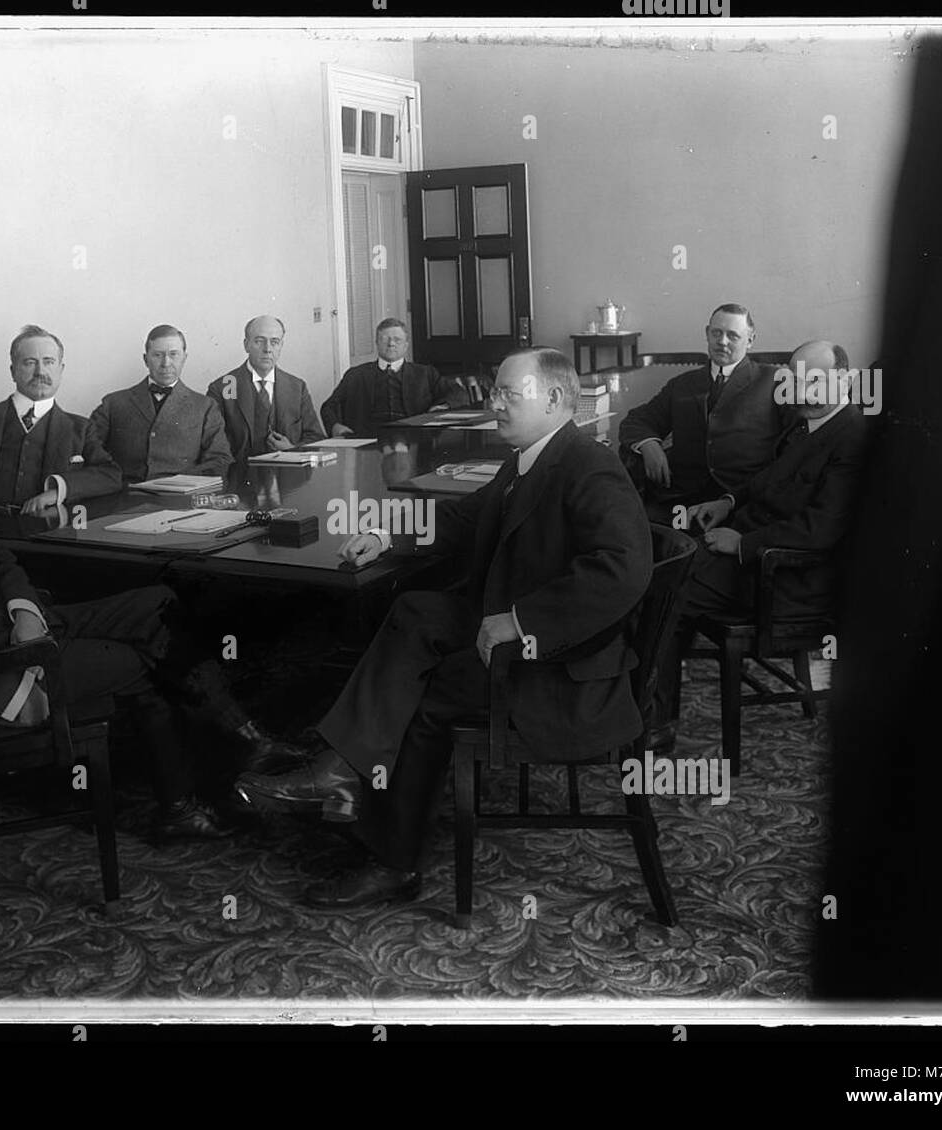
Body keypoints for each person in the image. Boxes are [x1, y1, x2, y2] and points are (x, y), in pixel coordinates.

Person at [235, 348, 653, 907]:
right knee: (415, 611)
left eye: (509, 394)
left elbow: (623, 569)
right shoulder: (530, 456)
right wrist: (388, 534)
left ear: (554, 400)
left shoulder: (588, 465)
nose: (494, 404)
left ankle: (394, 860)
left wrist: (523, 621)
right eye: (495, 391)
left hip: (565, 669)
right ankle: (342, 767)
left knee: (426, 688)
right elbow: (462, 516)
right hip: (522, 636)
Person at [0, 360, 289, 838]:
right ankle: (189, 796)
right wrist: (25, 648)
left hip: (13, 629)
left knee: (158, 603)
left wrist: (25, 610)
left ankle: (241, 742)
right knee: (144, 659)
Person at [652, 340, 870, 731]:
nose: (803, 391)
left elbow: (822, 528)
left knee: (668, 591)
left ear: (846, 379)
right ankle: (644, 706)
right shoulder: (805, 425)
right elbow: (765, 481)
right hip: (755, 557)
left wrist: (742, 544)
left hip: (788, 578)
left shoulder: (852, 436)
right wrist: (727, 501)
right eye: (796, 380)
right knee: (662, 561)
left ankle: (654, 726)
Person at [619, 303, 788, 522]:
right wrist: (649, 444)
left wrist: (736, 498)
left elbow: (795, 444)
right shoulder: (683, 384)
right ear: (707, 334)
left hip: (742, 503)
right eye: (716, 333)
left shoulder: (774, 381)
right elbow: (637, 420)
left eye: (733, 335)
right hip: (681, 499)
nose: (722, 341)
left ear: (750, 340)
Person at [0, 324, 121, 516]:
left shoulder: (80, 428)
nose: (40, 371)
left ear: (60, 370)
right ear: (13, 371)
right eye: (30, 362)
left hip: (47, 536)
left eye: (48, 362)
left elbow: (111, 475)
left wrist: (59, 491)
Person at [89, 325, 232, 482]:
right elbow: (89, 450)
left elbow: (220, 460)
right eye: (158, 355)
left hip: (180, 498)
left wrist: (181, 484)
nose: (166, 363)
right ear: (146, 359)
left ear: (184, 358)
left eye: (173, 354)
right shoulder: (113, 403)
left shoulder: (205, 407)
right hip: (123, 496)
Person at [320, 318, 468, 438]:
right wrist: (335, 426)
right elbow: (328, 407)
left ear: (406, 345)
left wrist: (442, 407)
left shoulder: (425, 373)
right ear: (377, 344)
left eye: (397, 340)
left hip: (415, 439)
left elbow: (457, 394)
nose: (391, 344)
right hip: (368, 443)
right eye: (385, 339)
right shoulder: (356, 375)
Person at [206, 315, 325, 459]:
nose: (267, 349)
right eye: (259, 341)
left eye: (274, 342)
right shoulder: (224, 387)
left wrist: (292, 450)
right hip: (241, 477)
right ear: (246, 345)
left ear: (281, 345)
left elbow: (316, 439)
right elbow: (213, 446)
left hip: (287, 477)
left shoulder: (297, 387)